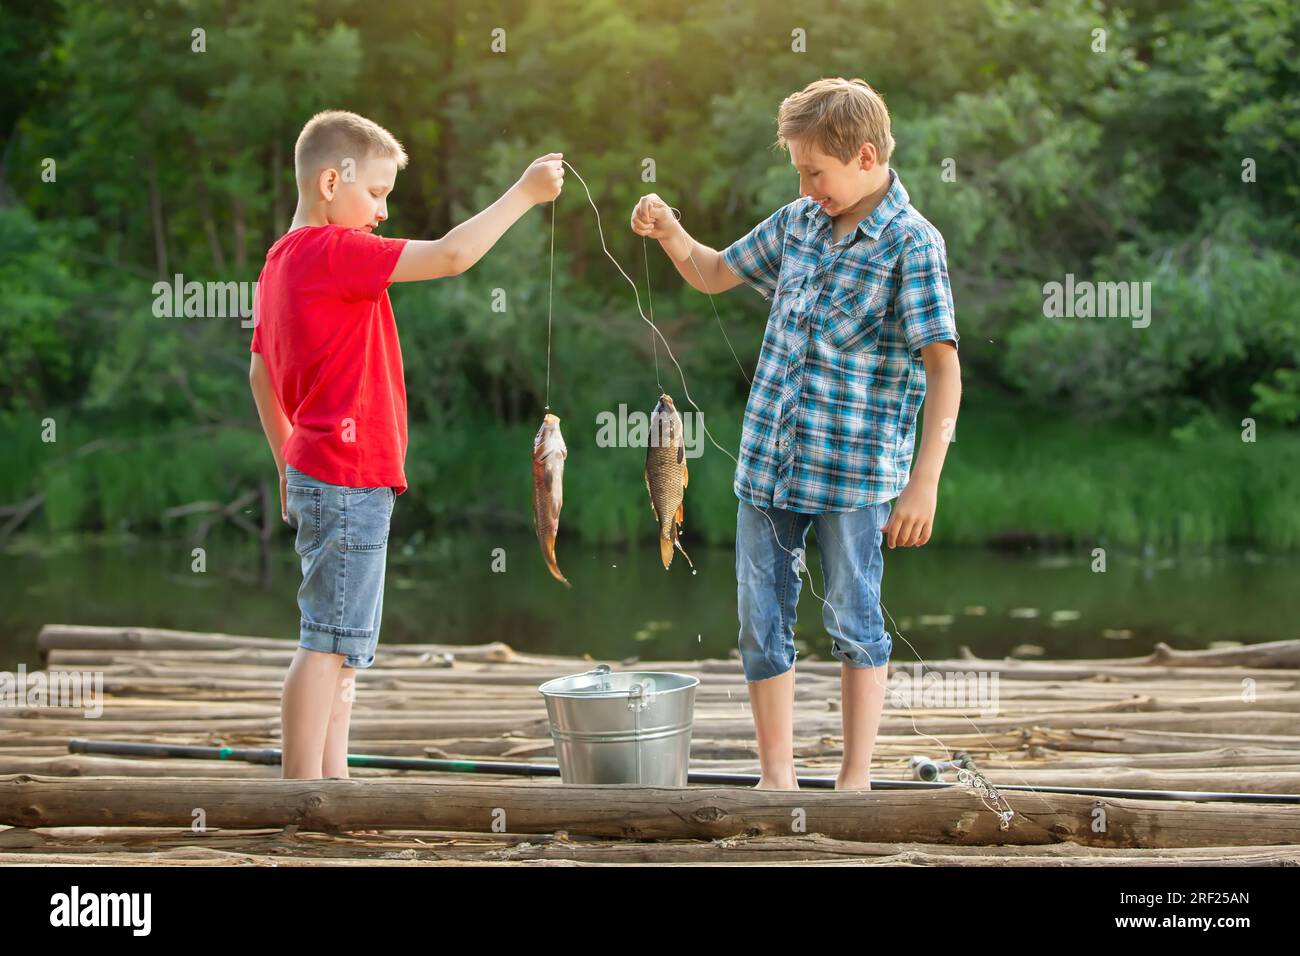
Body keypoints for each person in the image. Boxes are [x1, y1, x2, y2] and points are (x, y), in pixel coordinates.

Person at [631, 78, 962, 790]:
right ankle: (776, 777)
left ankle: (854, 779)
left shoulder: (912, 245)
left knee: (855, 620)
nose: (808, 185)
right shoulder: (799, 222)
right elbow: (713, 272)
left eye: (816, 172)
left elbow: (945, 372)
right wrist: (669, 231)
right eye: (801, 174)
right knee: (760, 624)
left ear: (866, 155)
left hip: (858, 479)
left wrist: (925, 480)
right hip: (768, 469)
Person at [248, 109, 563, 785]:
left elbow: (258, 372)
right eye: (377, 194)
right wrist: (526, 193)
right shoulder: (331, 252)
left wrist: (285, 460)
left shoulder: (280, 259)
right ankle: (302, 792)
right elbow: (452, 255)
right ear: (331, 182)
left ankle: (331, 783)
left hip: (326, 470)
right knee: (326, 643)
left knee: (345, 646)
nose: (384, 212)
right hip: (346, 473)